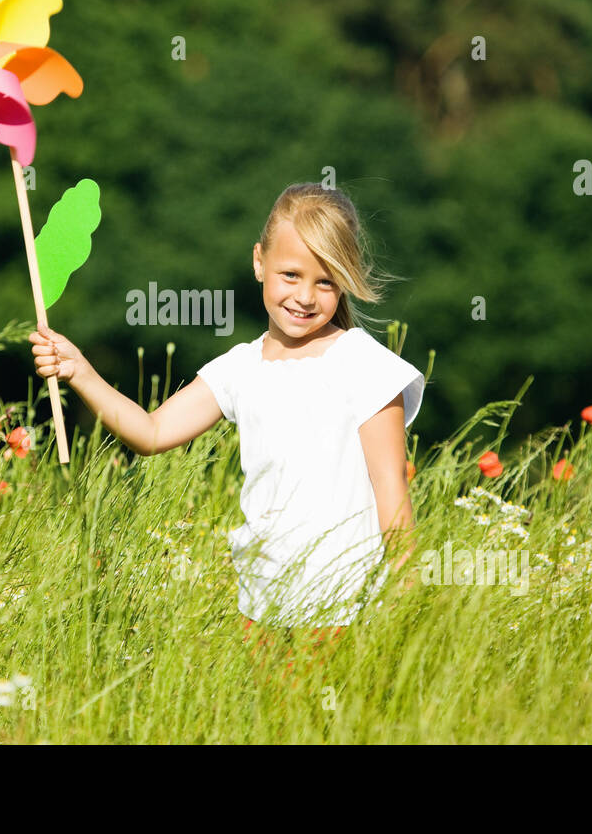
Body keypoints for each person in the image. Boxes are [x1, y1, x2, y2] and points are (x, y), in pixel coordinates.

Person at [28, 182, 425, 673]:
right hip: (260, 609)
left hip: (345, 607)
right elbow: (151, 433)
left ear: (344, 281)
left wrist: (406, 594)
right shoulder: (240, 367)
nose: (305, 296)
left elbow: (391, 485)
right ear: (259, 262)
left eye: (325, 281)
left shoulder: (364, 364)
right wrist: (79, 370)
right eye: (290, 274)